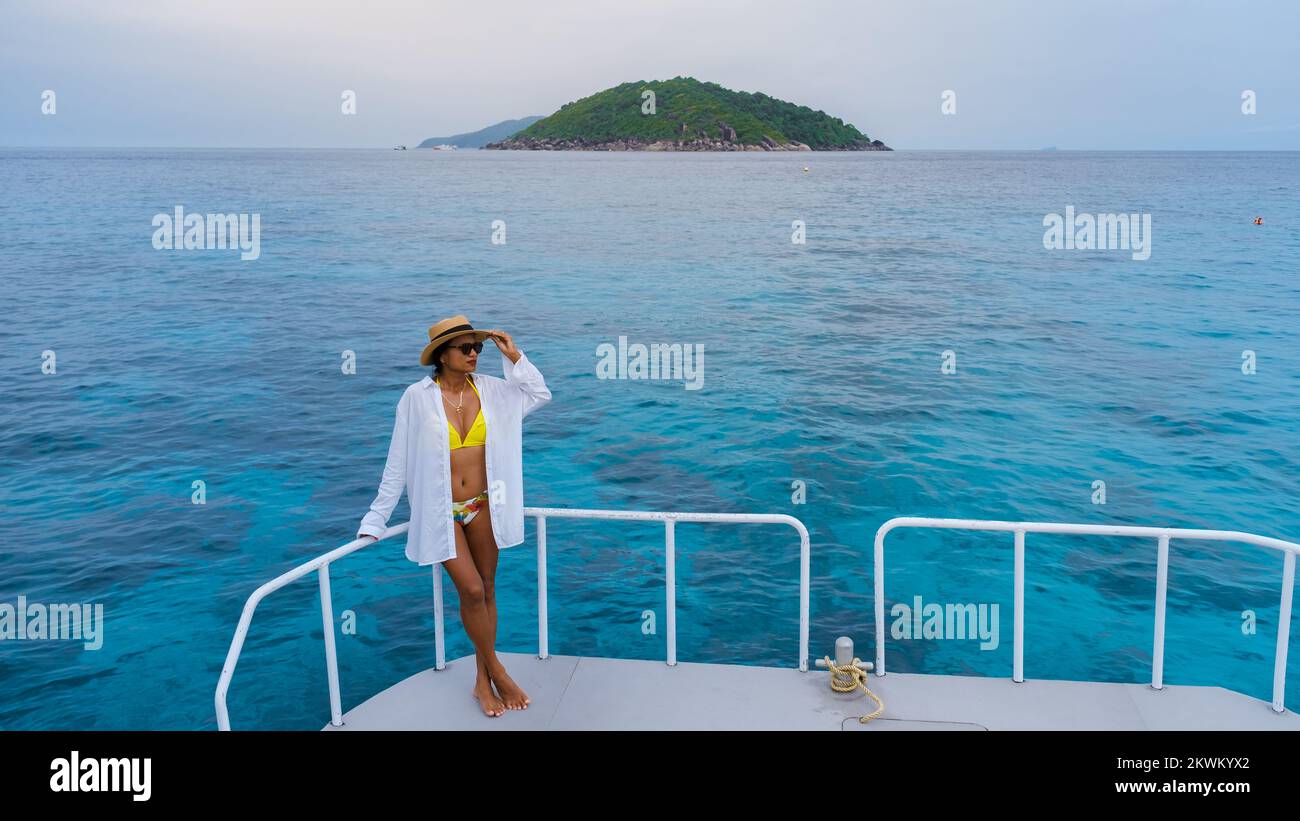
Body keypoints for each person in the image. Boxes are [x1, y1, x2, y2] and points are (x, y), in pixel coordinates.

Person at [356, 314, 551, 717]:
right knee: (472, 591)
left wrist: (514, 358)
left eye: (477, 346)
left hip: (483, 503)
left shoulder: (496, 391)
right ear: (442, 355)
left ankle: (482, 683)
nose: (475, 353)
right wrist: (376, 519)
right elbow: (397, 461)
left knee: (489, 588)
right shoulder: (416, 398)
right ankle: (497, 670)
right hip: (439, 510)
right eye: (466, 348)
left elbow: (538, 394)